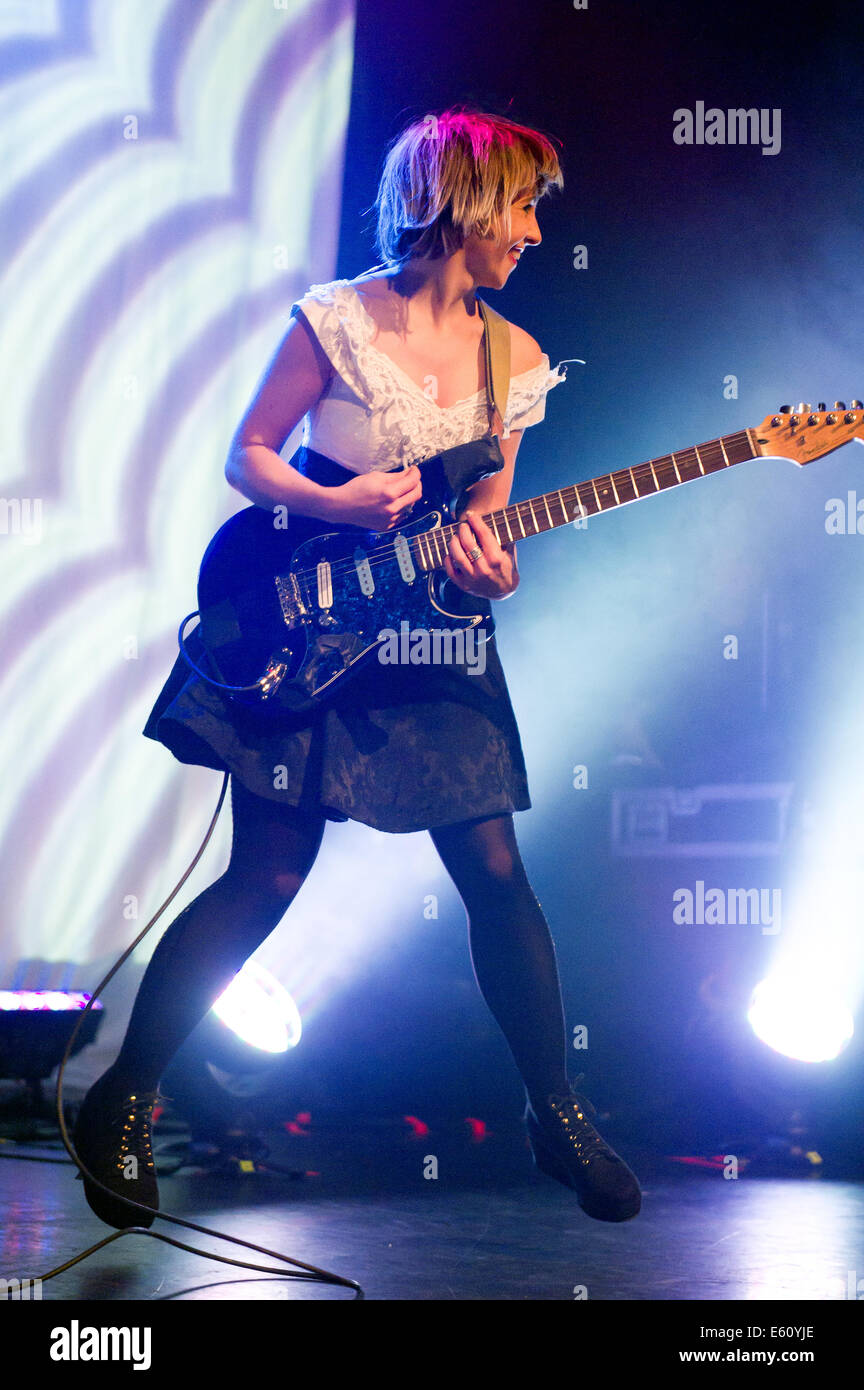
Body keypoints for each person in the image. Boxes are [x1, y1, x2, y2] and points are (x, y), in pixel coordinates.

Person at [73, 107, 641, 1227]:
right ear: (463, 201)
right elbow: (246, 456)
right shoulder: (334, 321)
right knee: (268, 877)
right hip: (306, 625)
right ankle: (122, 1097)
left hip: (432, 640)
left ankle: (556, 1111)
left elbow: (488, 528)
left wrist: (494, 572)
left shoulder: (514, 358)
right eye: (521, 204)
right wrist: (331, 497)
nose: (533, 229)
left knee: (495, 874)